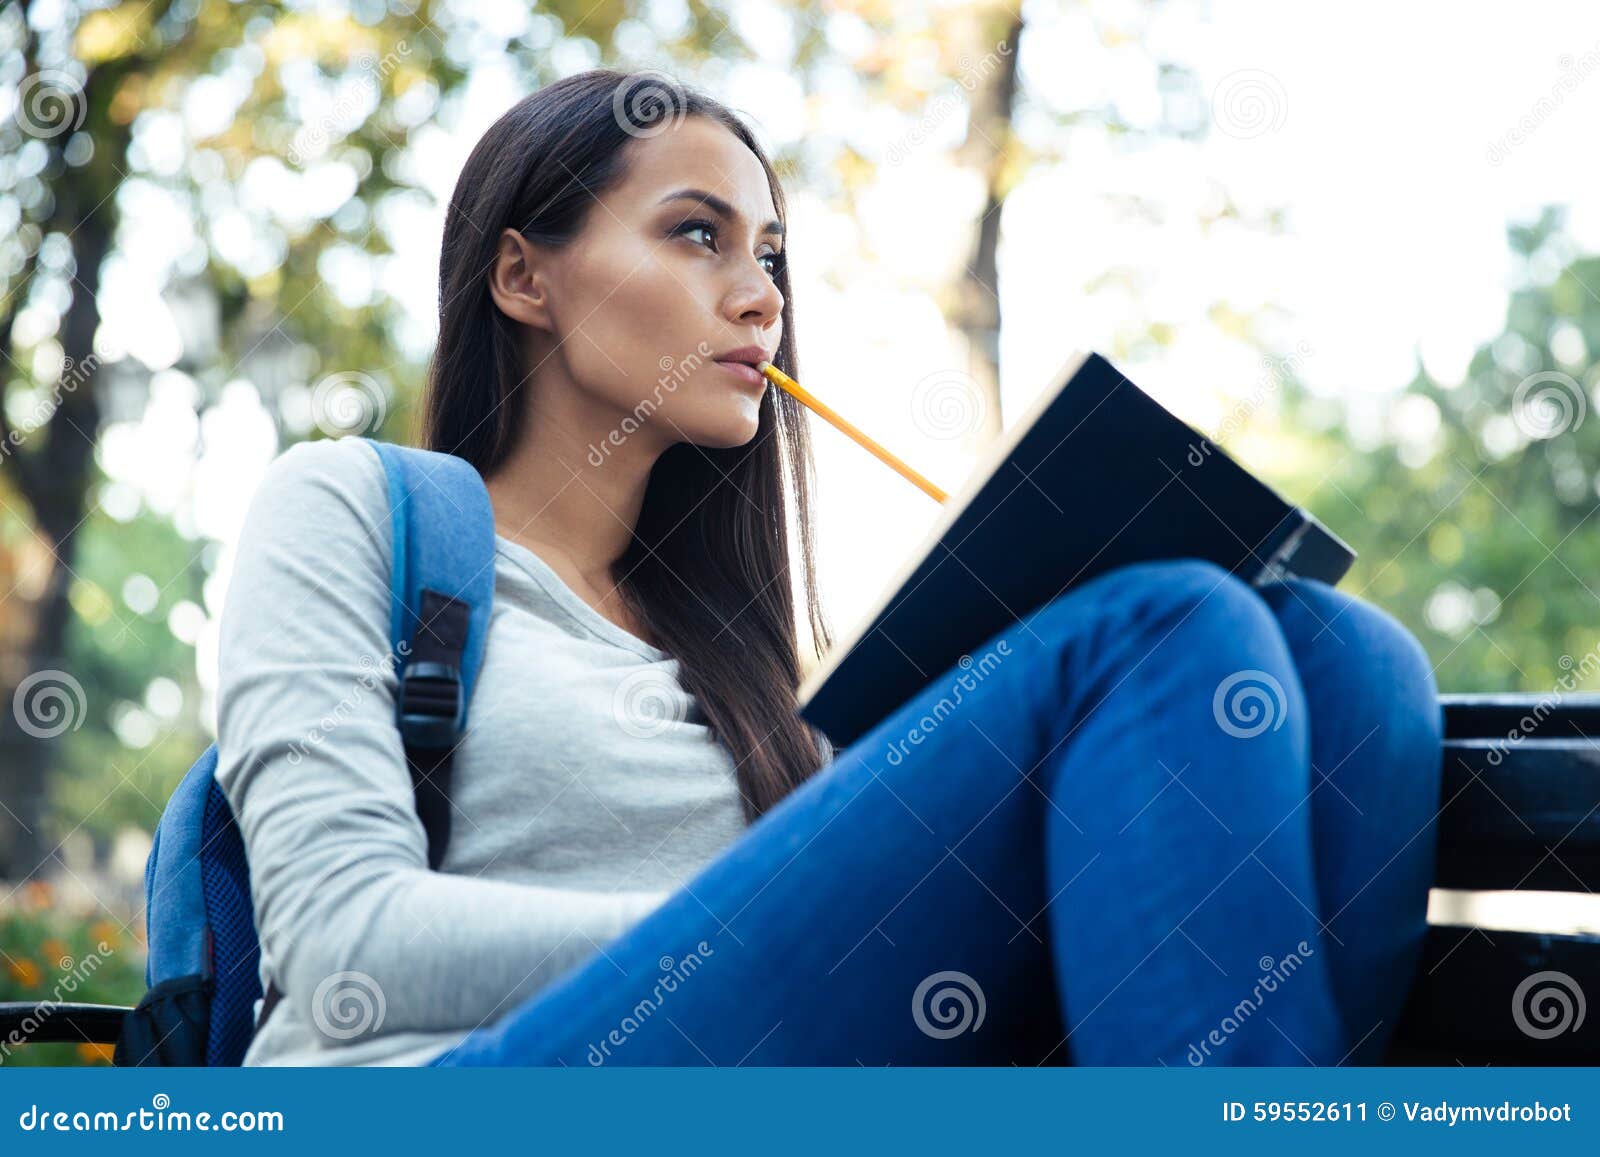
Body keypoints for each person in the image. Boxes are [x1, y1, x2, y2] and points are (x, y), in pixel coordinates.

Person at [216, 69, 1442, 1068]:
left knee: (1346, 655)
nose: (759, 298)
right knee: (1164, 628)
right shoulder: (347, 507)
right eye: (697, 234)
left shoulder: (739, 648)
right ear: (525, 274)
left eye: (773, 255)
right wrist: (791, 924)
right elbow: (345, 944)